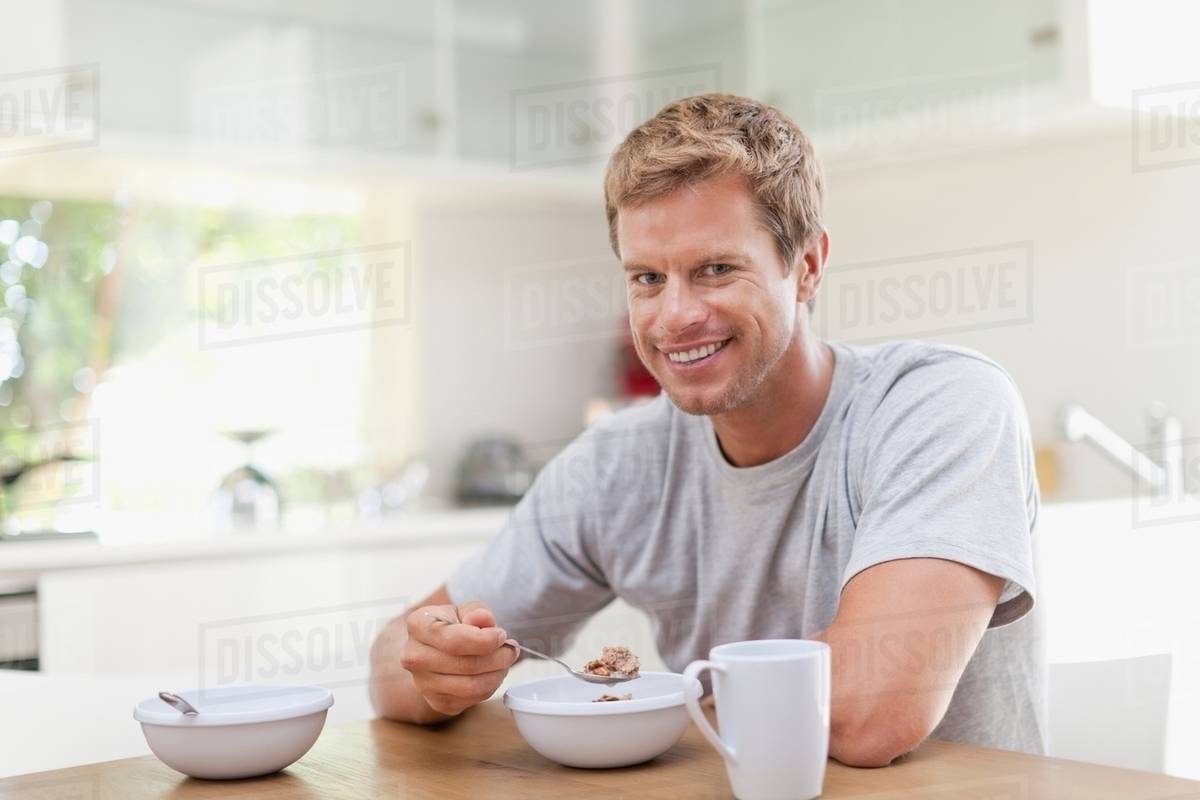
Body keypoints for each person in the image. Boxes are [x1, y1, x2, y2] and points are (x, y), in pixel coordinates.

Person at [369, 93, 1044, 768]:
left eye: (715, 269)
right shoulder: (616, 465)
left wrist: (669, 700)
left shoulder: (941, 406)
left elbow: (863, 717)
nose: (675, 316)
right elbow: (392, 667)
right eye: (647, 278)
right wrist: (435, 667)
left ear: (806, 265)